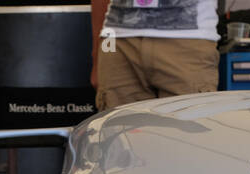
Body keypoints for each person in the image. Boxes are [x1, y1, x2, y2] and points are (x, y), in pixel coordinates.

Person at [90, 0, 220, 110]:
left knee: (186, 135)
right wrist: (97, 55)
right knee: (117, 133)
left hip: (187, 39)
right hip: (115, 39)